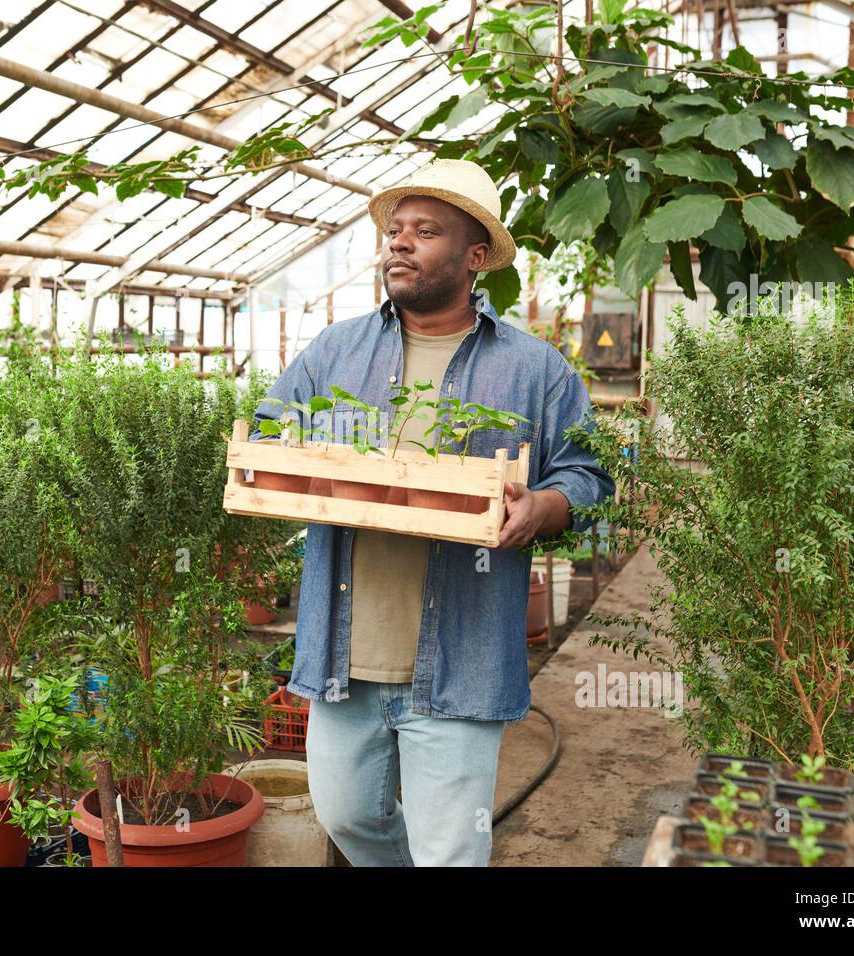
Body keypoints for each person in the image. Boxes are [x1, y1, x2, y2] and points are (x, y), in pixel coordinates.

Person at [251, 158, 615, 866]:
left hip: (463, 661)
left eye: (425, 230)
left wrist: (543, 505)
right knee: (350, 818)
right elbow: (270, 430)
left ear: (475, 257)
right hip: (343, 655)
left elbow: (592, 477)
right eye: (395, 230)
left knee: (449, 851)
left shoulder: (536, 370)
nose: (400, 243)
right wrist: (298, 460)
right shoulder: (336, 351)